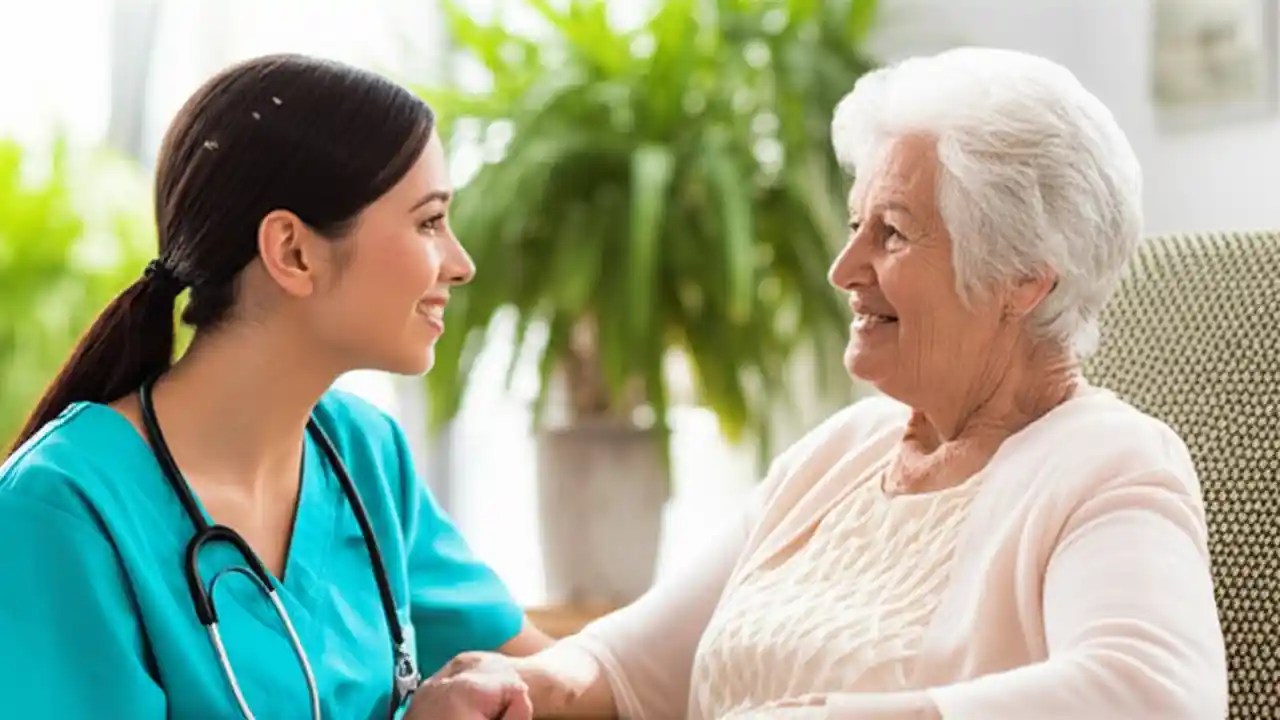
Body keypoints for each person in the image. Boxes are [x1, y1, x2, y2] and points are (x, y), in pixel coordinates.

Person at [433, 48, 1229, 719]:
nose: (844, 269)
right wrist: (525, 682)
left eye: (893, 233)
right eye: (855, 226)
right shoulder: (845, 450)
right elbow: (629, 665)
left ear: (1022, 278)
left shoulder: (1107, 463)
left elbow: (1155, 698)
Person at [0, 54, 548, 719]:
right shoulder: (61, 506)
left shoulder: (364, 453)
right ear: (292, 251)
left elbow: (548, 682)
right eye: (429, 222)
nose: (460, 264)